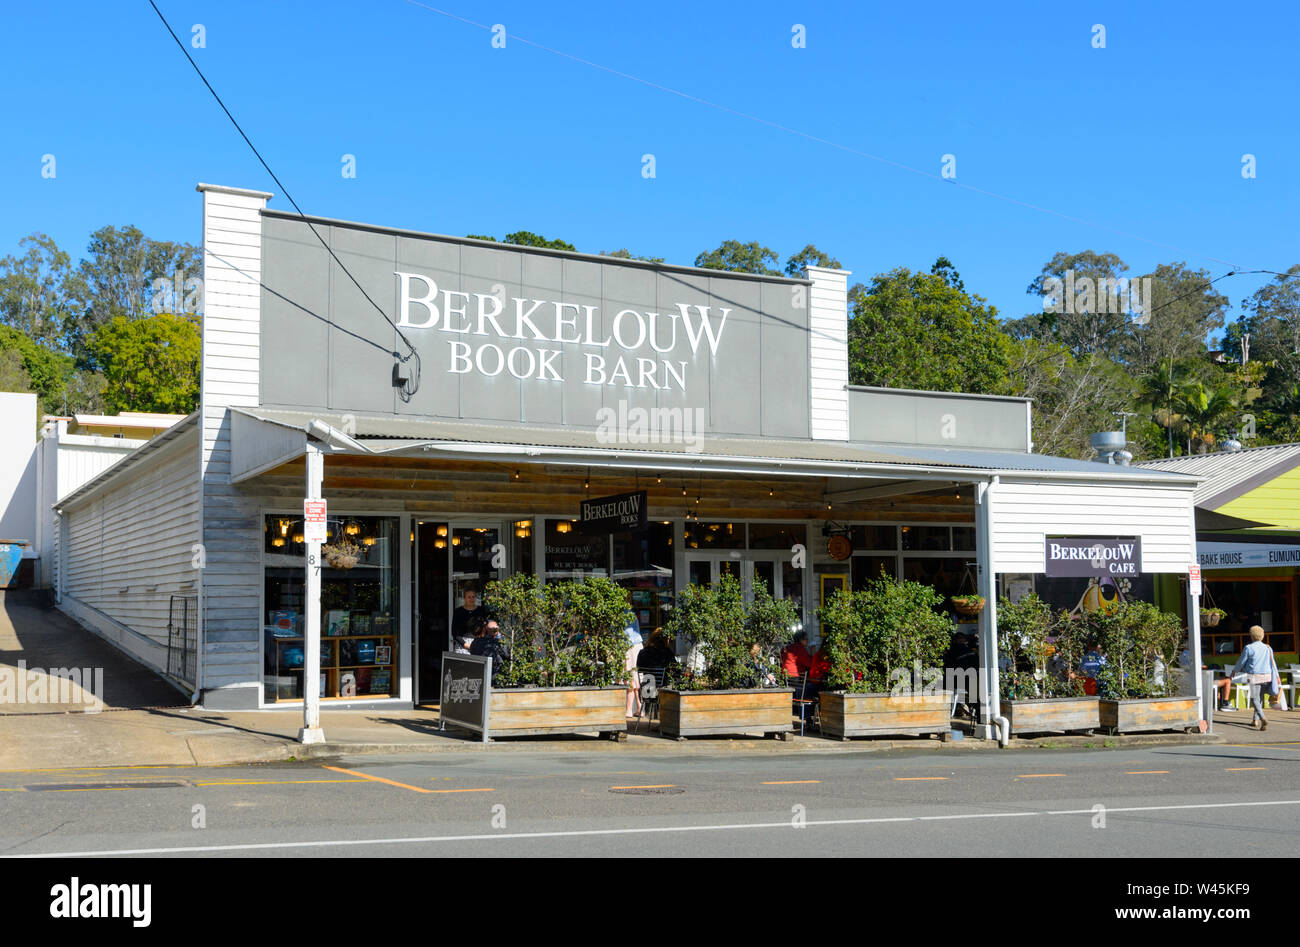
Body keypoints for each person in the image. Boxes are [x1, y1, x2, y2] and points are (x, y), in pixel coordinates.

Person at [1236, 625, 1279, 731]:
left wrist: (1234, 670)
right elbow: (1273, 663)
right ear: (1262, 636)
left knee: (1254, 699)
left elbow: (1241, 662)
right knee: (1259, 698)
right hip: (1267, 677)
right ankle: (1255, 721)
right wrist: (1277, 676)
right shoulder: (1268, 648)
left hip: (1254, 677)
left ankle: (1262, 718)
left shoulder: (1249, 648)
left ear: (1251, 636)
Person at [469, 619, 510, 683]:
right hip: (494, 676)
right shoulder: (496, 642)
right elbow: (507, 655)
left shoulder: (475, 642)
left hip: (479, 675)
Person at [452, 588, 486, 653]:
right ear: (464, 598)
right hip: (462, 645)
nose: (471, 599)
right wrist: (465, 644)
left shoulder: (481, 610)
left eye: (473, 597)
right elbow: (454, 632)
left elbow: (484, 627)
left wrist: (479, 642)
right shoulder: (458, 611)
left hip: (478, 642)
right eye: (469, 597)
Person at [624, 627, 643, 718]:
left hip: (628, 645)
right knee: (634, 674)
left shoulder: (622, 615)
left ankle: (629, 709)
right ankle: (639, 707)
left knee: (629, 675)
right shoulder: (633, 615)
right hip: (637, 644)